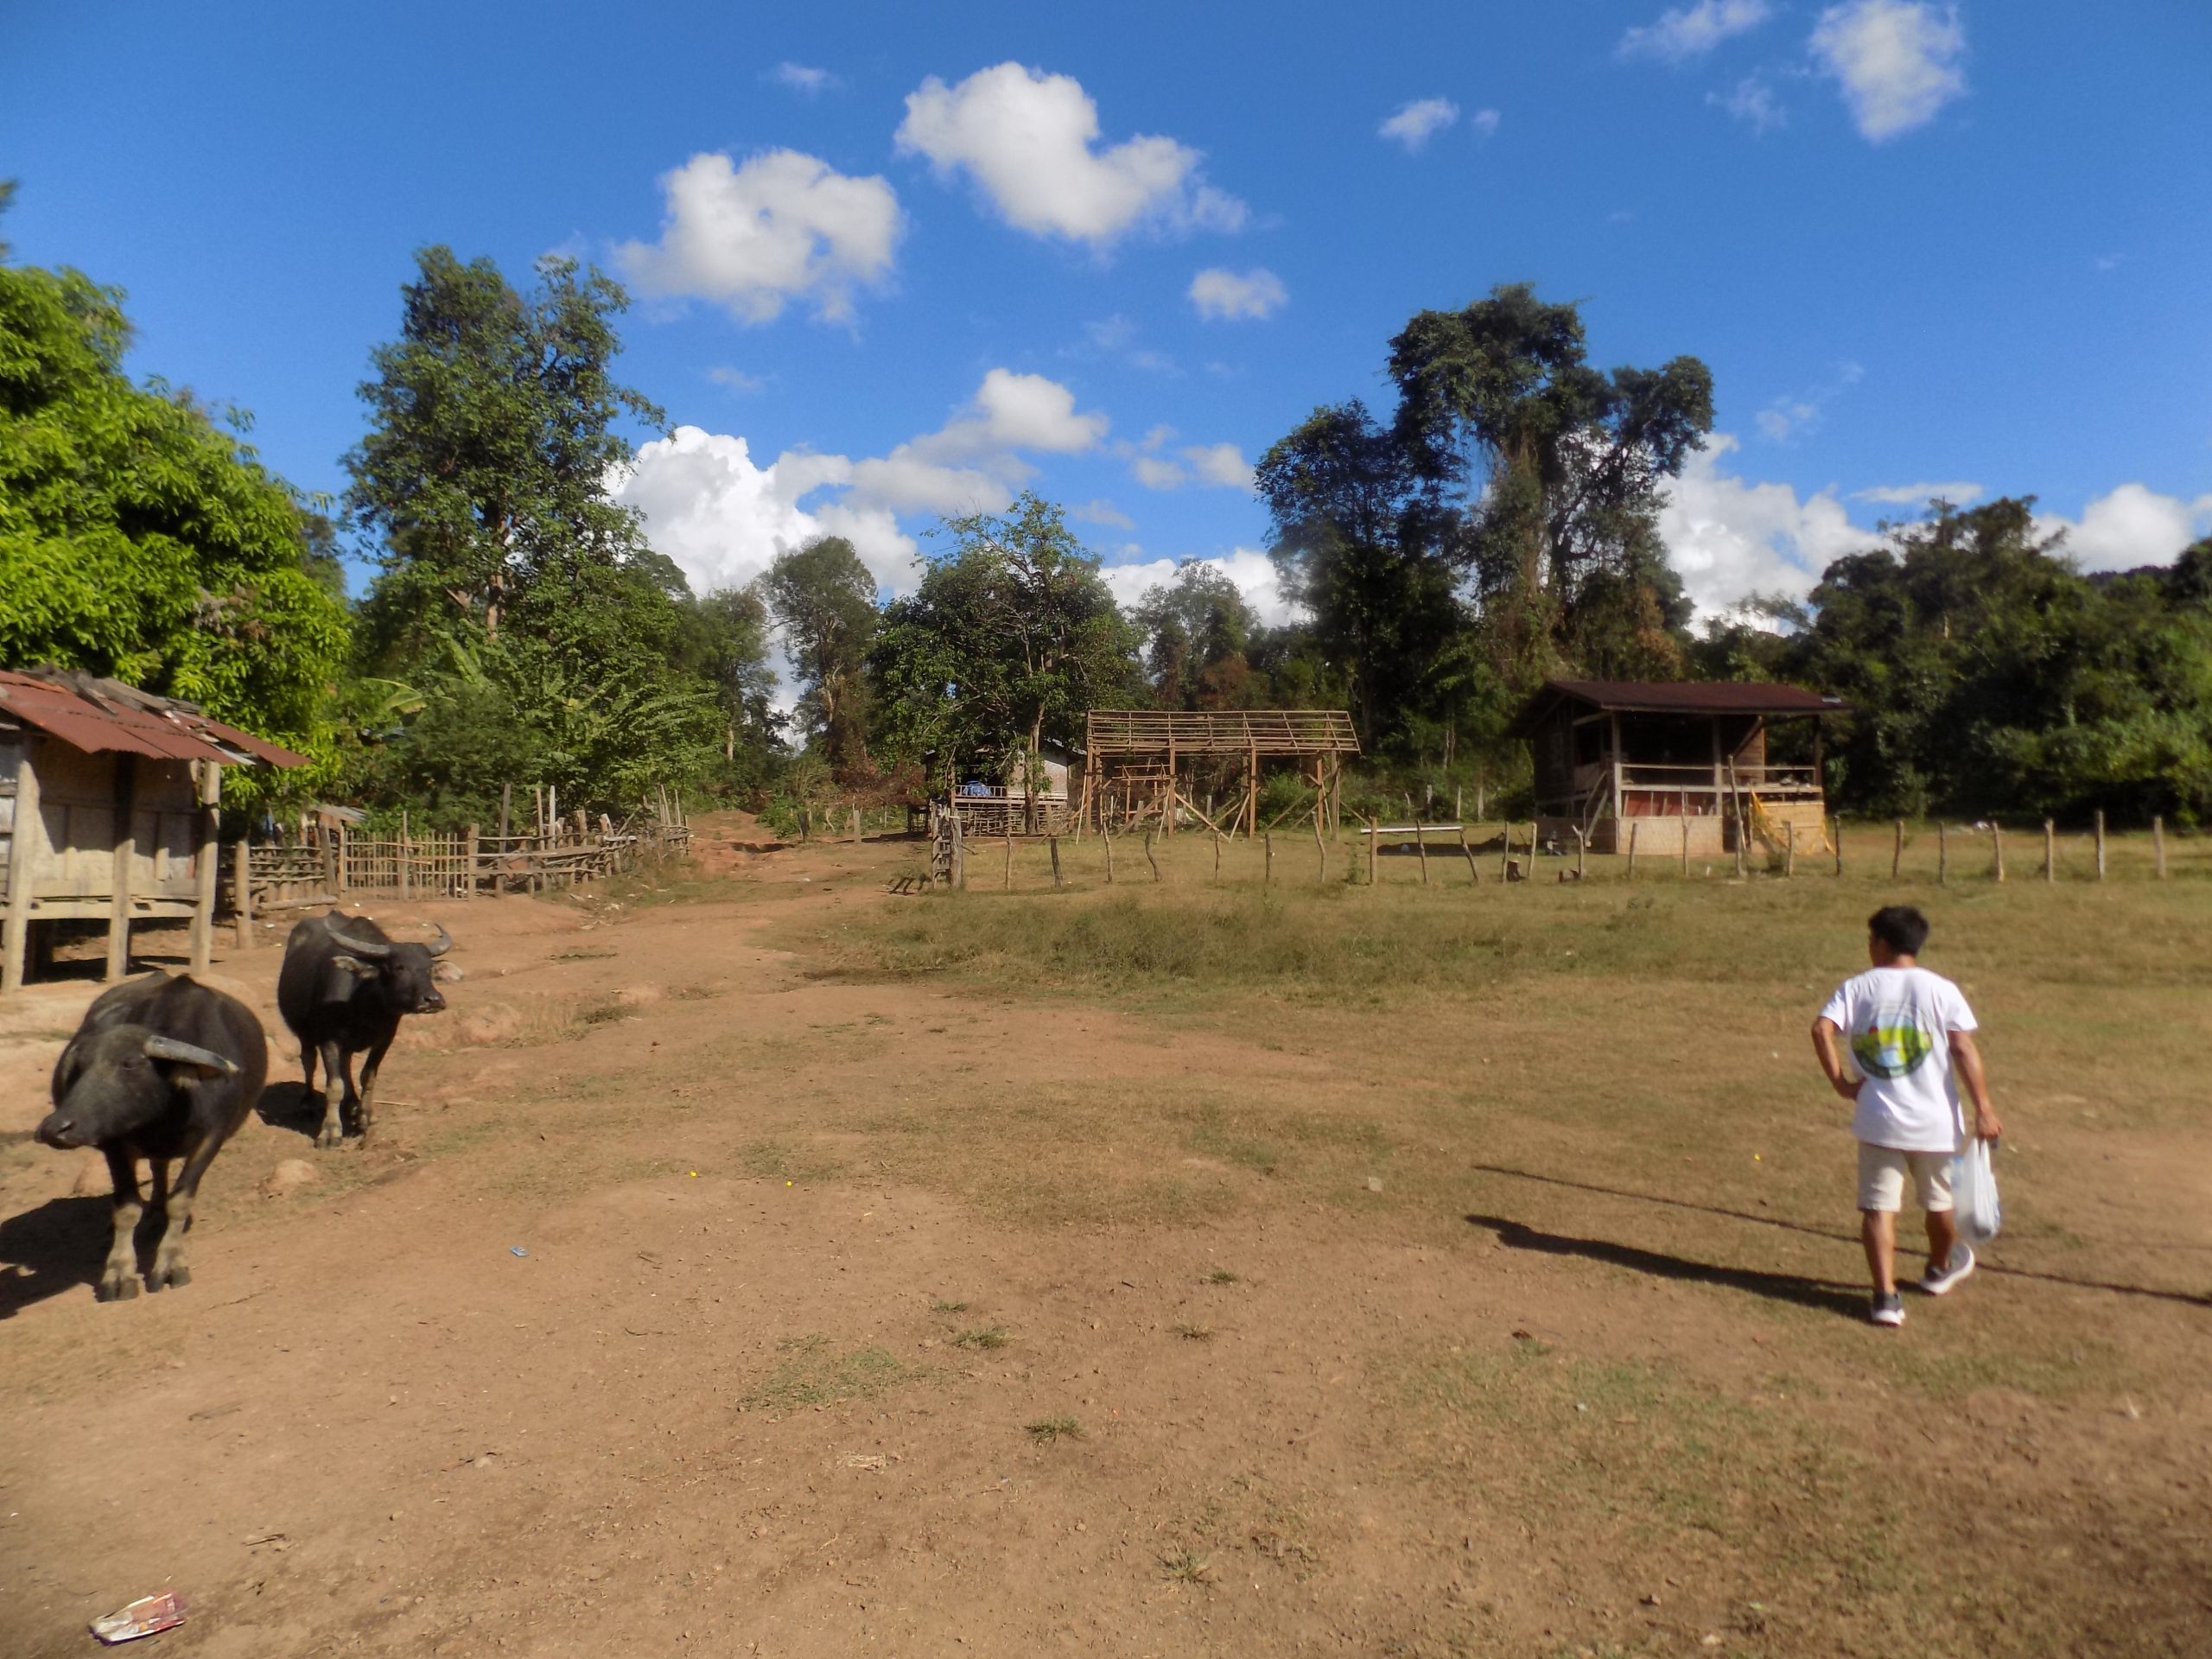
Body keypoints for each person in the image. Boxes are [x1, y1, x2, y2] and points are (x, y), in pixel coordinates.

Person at [1810, 905, 2003, 1328]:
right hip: (1935, 1121)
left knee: (1879, 1210)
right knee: (1939, 1204)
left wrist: (1841, 1084)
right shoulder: (1940, 989)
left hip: (1878, 1118)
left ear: (1880, 943)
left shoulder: (1857, 987)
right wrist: (1984, 1109)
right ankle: (1938, 1268)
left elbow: (1821, 1028)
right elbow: (1964, 1048)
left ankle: (1885, 1298)